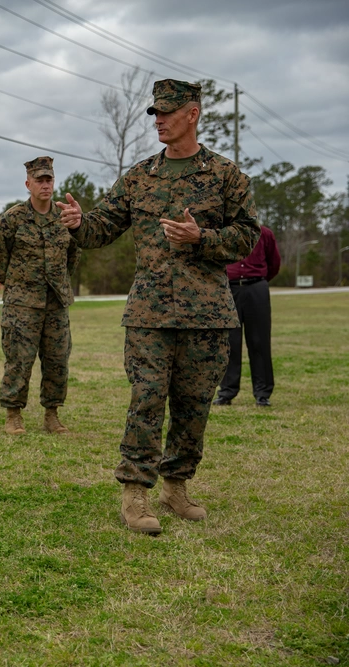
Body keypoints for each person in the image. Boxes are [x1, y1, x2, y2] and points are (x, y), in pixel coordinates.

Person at [57, 79, 259, 535]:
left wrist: (202, 237)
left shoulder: (225, 175)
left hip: (207, 314)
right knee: (146, 398)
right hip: (149, 312)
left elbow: (247, 236)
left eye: (168, 112)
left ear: (193, 113)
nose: (159, 120)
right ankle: (134, 492)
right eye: (156, 113)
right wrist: (78, 223)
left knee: (193, 405)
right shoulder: (140, 176)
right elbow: (101, 228)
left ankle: (176, 486)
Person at [0, 156, 81, 436]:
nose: (45, 184)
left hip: (56, 303)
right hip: (22, 304)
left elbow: (73, 254)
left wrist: (61, 282)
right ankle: (13, 415)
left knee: (57, 361)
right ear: (28, 184)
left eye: (48, 179)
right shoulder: (13, 219)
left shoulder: (65, 218)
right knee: (19, 360)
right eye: (39, 180)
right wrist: (16, 284)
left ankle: (52, 415)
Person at [214, 225, 281, 407]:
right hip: (230, 289)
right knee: (229, 342)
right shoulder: (224, 232)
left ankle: (262, 393)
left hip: (256, 287)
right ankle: (226, 392)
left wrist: (259, 281)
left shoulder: (265, 233)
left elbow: (274, 263)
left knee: (260, 341)